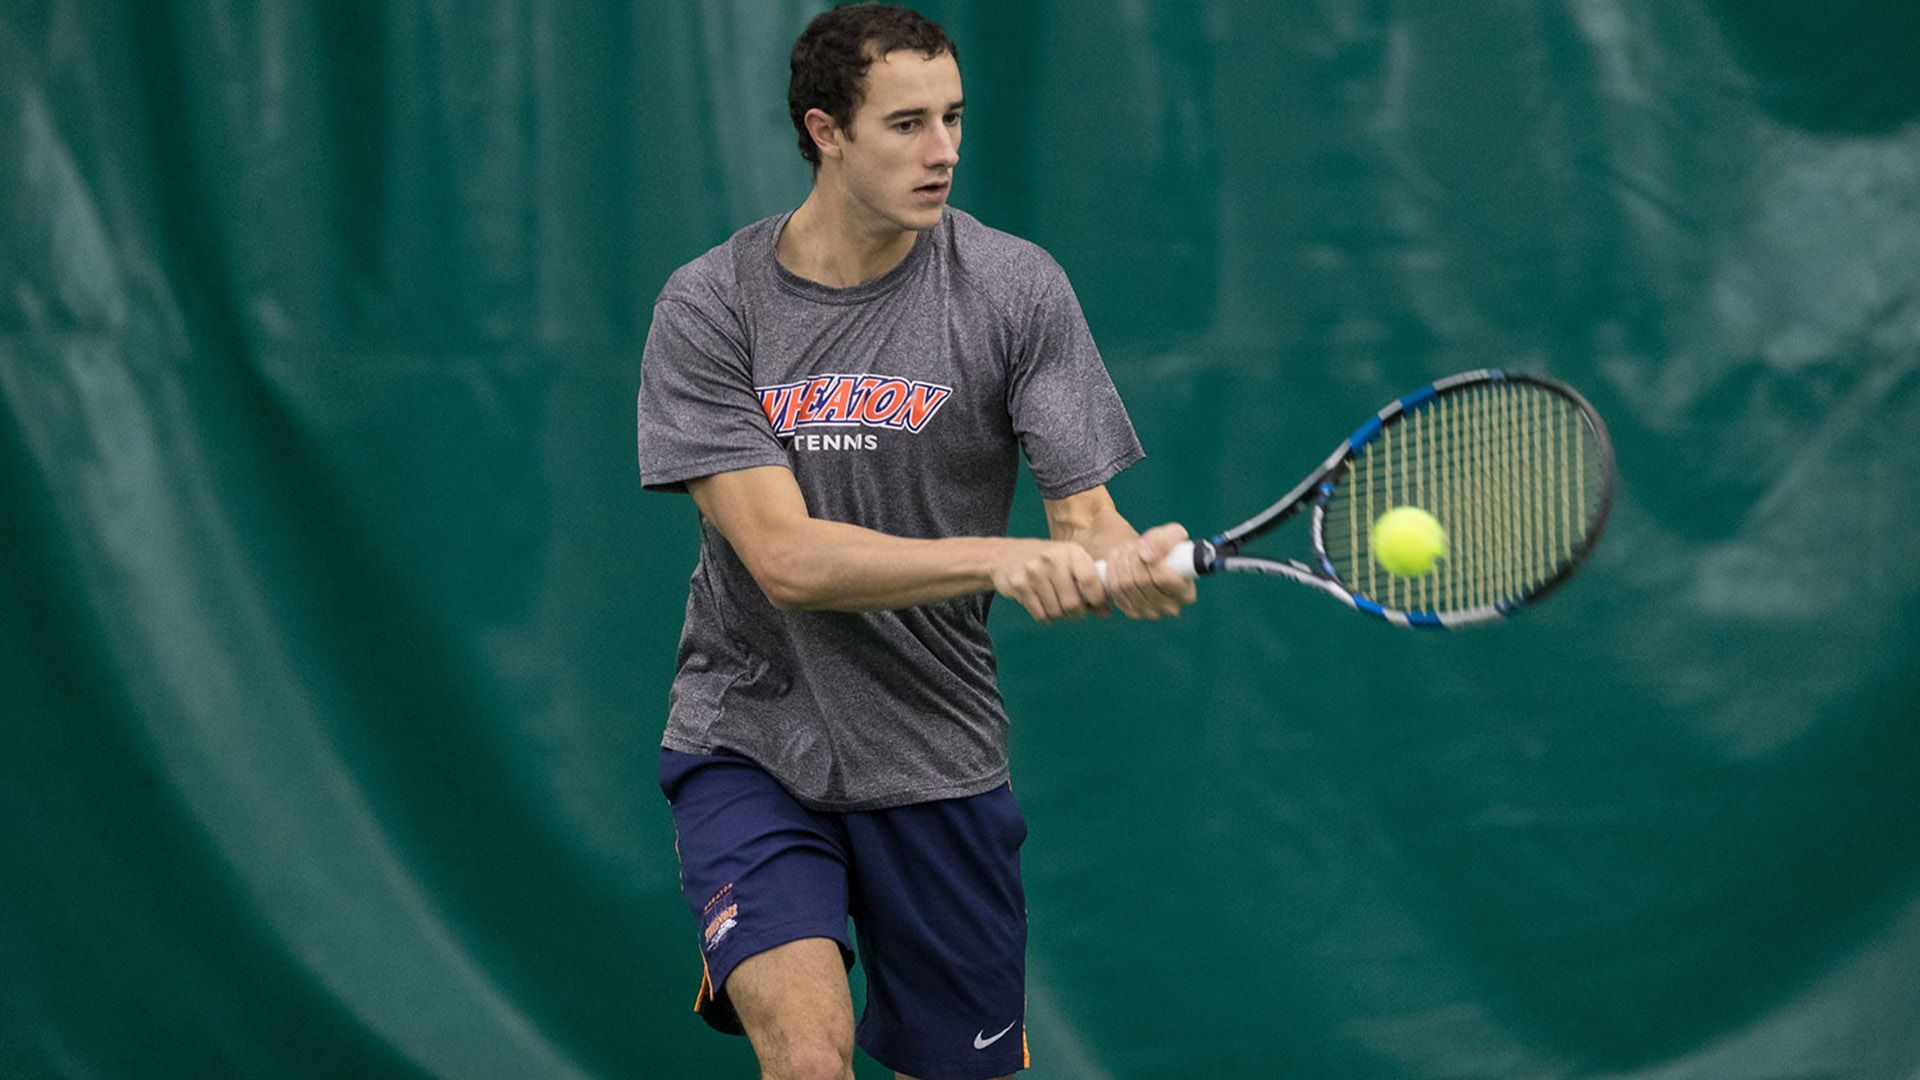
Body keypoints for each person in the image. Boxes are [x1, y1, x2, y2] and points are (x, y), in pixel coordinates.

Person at [636, 5, 1196, 1078]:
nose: (943, 151)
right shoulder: (712, 306)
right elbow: (785, 560)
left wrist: (1126, 567)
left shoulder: (1016, 288)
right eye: (905, 124)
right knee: (808, 1058)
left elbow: (1086, 523)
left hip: (938, 756)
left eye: (953, 117)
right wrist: (997, 558)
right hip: (751, 740)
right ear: (825, 130)